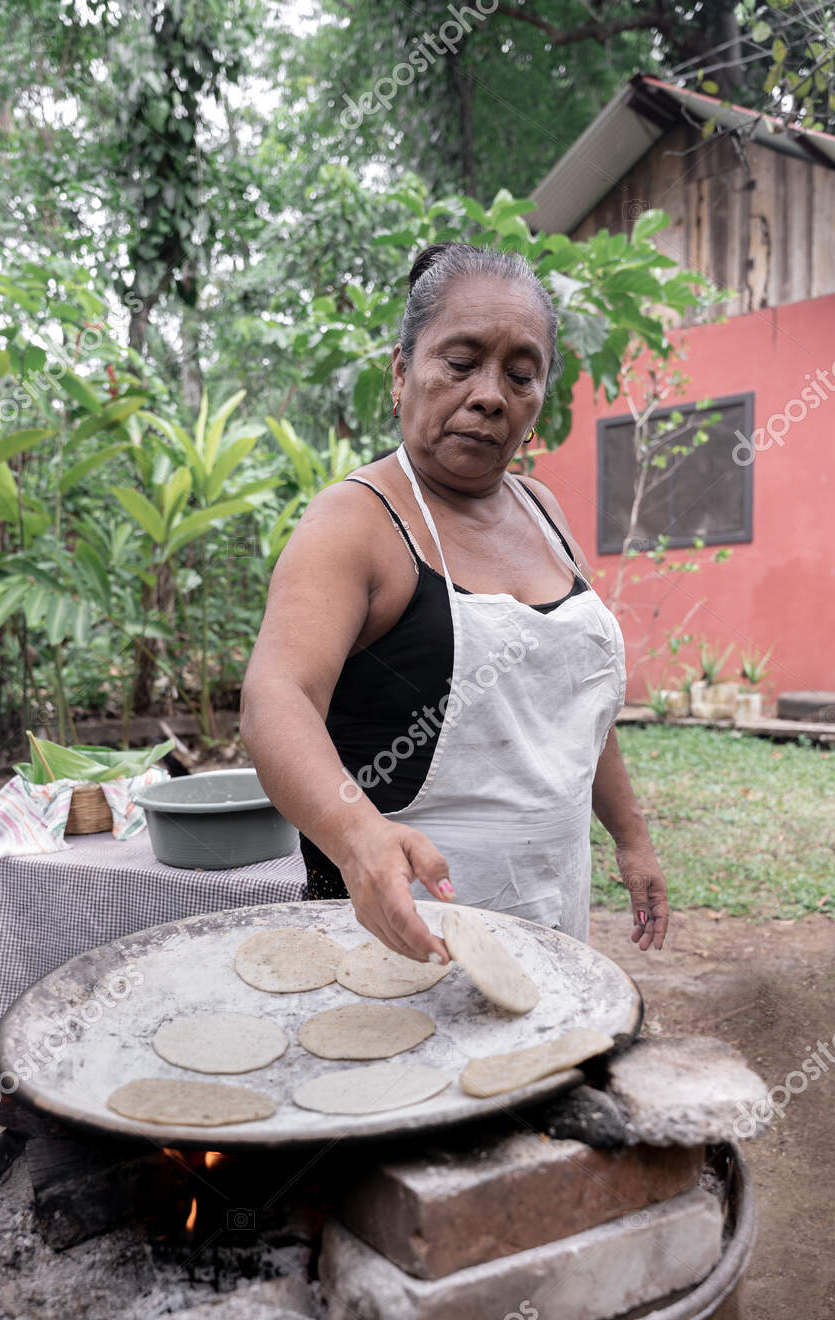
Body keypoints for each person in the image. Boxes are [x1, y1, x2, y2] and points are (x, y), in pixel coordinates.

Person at [241, 242, 669, 965]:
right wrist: (359, 837)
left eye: (521, 375)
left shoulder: (542, 511)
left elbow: (573, 700)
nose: (490, 395)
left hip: (548, 912)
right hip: (398, 934)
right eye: (461, 363)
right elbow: (275, 698)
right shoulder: (357, 521)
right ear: (401, 371)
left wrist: (630, 837)